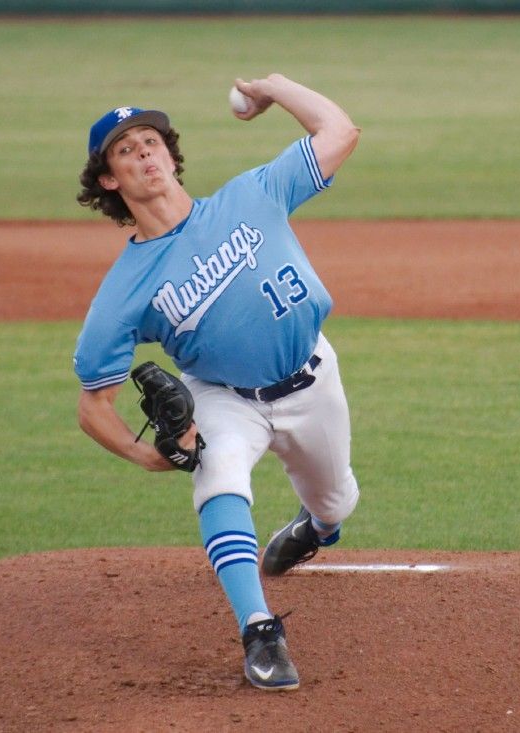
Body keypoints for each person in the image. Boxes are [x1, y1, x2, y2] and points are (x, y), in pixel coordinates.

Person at [73, 73, 361, 691]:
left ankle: (314, 530)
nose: (144, 153)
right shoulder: (122, 291)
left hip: (313, 381)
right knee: (217, 473)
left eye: (151, 141)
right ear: (109, 180)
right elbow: (94, 404)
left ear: (171, 157)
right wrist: (143, 454)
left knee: (337, 503)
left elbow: (339, 132)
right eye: (126, 150)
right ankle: (260, 631)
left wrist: (275, 85)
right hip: (224, 398)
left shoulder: (251, 195)